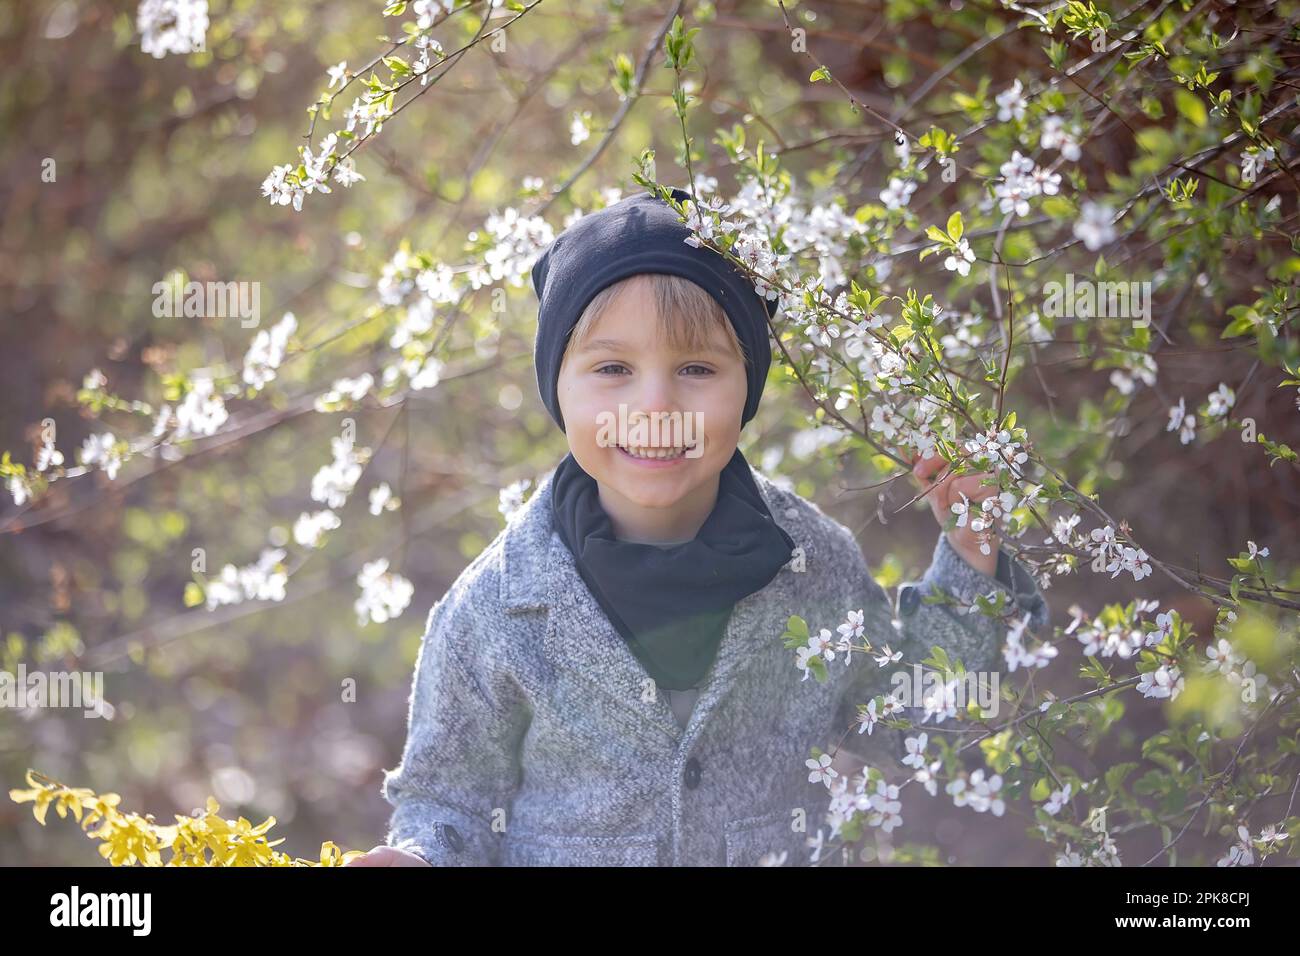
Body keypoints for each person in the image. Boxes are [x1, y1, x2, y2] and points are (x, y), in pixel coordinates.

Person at [346, 186, 1048, 867]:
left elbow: (911, 724)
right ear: (555, 385)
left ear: (748, 382)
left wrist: (969, 554)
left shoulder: (814, 564)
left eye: (696, 367)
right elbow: (449, 801)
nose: (655, 406)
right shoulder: (498, 605)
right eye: (612, 367)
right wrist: (420, 856)